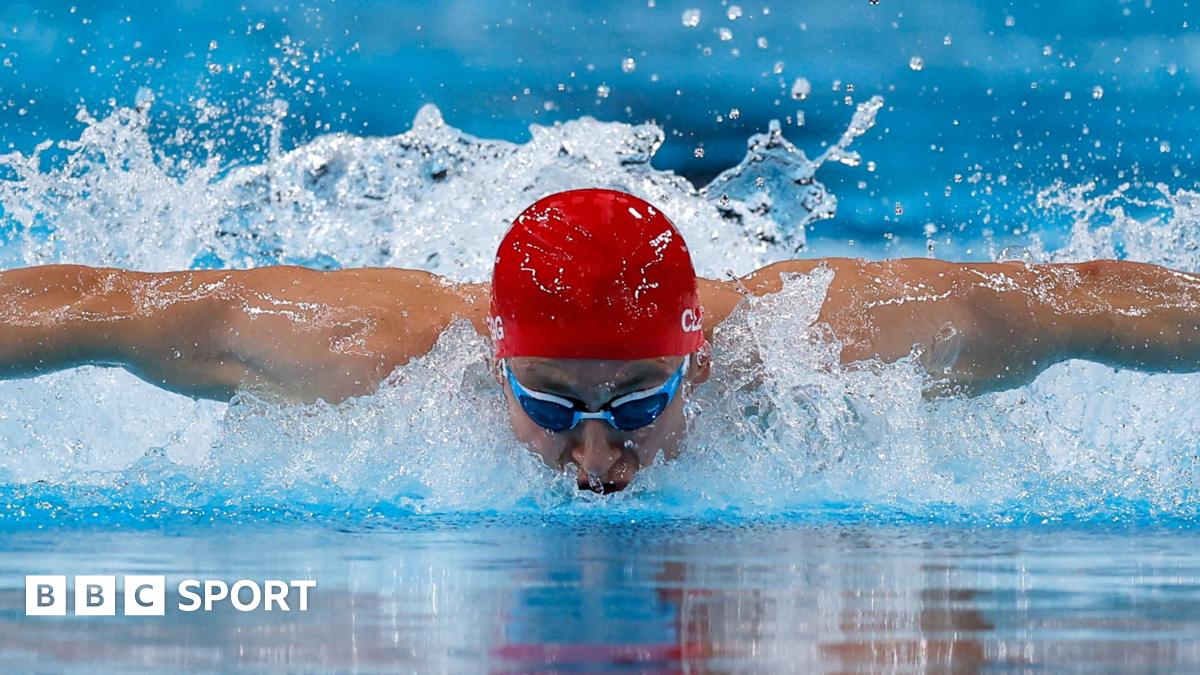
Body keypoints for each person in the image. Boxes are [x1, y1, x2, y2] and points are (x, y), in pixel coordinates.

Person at [3, 188, 1200, 492]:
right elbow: (113, 304)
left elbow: (1080, 297)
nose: (595, 461)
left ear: (698, 358)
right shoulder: (364, 349)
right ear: (493, 358)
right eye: (552, 405)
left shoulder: (830, 344)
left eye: (636, 403)